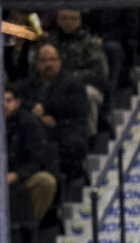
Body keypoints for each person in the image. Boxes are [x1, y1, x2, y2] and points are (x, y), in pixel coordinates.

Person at [16, 43, 92, 184]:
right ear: (37, 63)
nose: (48, 64)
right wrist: (37, 114)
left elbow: (77, 109)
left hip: (65, 130)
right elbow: (18, 104)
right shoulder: (26, 86)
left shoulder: (73, 85)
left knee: (69, 143)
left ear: (59, 62)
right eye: (43, 60)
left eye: (52, 59)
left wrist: (45, 108)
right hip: (34, 132)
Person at [0, 89, 59, 230]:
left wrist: (15, 175)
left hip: (22, 177)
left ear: (17, 102)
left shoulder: (29, 123)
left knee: (46, 181)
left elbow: (38, 160)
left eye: (8, 100)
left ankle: (29, 229)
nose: (4, 105)